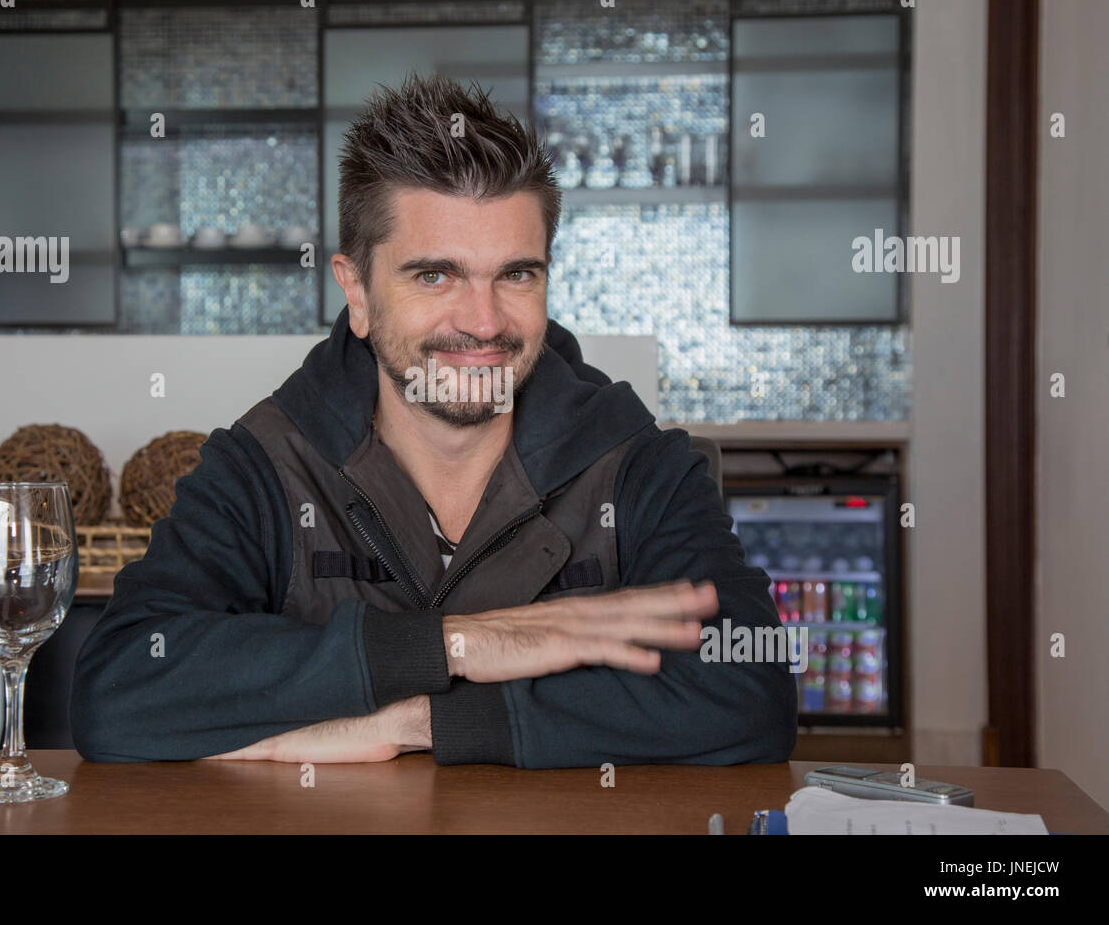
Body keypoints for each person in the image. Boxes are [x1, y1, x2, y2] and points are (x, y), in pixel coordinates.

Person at [71, 71, 797, 768]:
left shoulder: (639, 465)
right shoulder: (263, 463)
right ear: (356, 290)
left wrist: (419, 721)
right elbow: (120, 688)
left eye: (516, 273)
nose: (483, 322)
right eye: (434, 274)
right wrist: (455, 645)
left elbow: (748, 691)